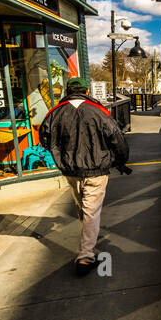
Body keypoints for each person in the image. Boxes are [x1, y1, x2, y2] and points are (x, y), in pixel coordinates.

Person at [39, 78, 131, 275]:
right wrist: (120, 160)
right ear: (87, 90)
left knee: (83, 207)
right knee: (90, 211)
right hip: (97, 169)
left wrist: (62, 153)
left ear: (67, 90)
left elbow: (45, 138)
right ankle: (85, 256)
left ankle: (86, 244)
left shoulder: (55, 112)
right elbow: (117, 137)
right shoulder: (99, 111)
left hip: (71, 170)